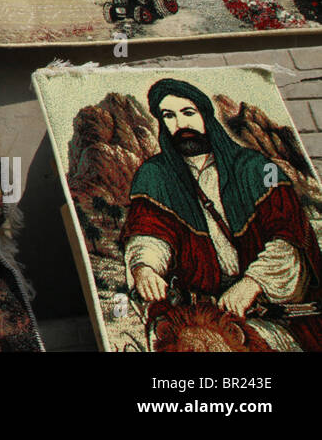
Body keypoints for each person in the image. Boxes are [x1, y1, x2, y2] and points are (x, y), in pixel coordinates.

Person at [121, 77, 322, 351]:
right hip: (194, 313)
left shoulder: (256, 168)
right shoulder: (154, 175)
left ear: (205, 115)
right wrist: (145, 268)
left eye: (188, 113)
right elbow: (150, 233)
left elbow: (288, 238)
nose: (180, 124)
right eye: (169, 116)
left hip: (266, 309)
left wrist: (253, 284)